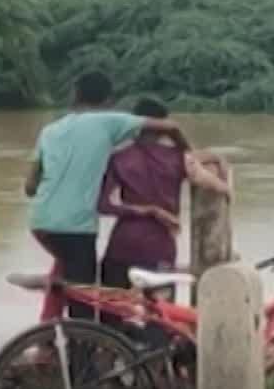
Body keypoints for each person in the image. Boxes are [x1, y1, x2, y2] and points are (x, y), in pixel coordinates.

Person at [24, 72, 185, 322]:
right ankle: (79, 357)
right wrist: (187, 154)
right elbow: (171, 127)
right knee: (84, 301)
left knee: (66, 273)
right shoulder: (110, 121)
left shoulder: (49, 130)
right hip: (76, 227)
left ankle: (48, 337)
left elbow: (30, 186)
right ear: (109, 100)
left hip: (40, 221)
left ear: (74, 95)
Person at [97, 97, 230, 291]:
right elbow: (197, 164)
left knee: (113, 311)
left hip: (122, 245)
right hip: (159, 245)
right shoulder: (177, 158)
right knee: (160, 314)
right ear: (165, 125)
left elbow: (103, 205)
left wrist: (148, 210)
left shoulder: (118, 158)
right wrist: (217, 160)